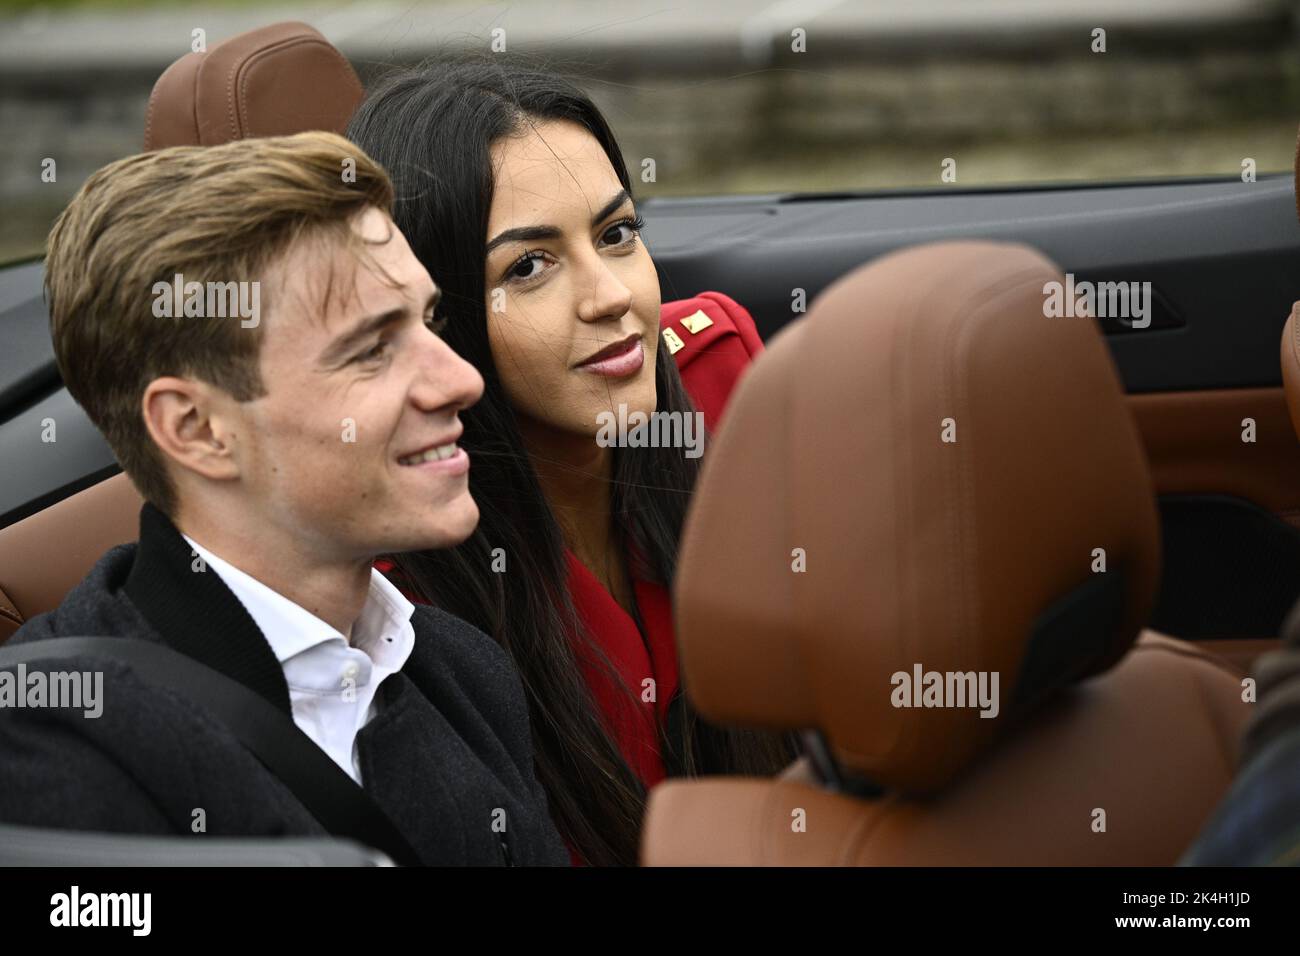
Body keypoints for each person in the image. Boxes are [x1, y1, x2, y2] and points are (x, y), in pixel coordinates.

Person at [0, 131, 569, 866]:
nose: (461, 379)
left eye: (428, 322)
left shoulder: (463, 673)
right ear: (198, 428)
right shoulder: (49, 742)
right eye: (371, 349)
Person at [349, 58, 797, 866]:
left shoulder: (716, 370)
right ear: (433, 316)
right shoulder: (396, 589)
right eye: (528, 266)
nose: (609, 296)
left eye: (617, 234)